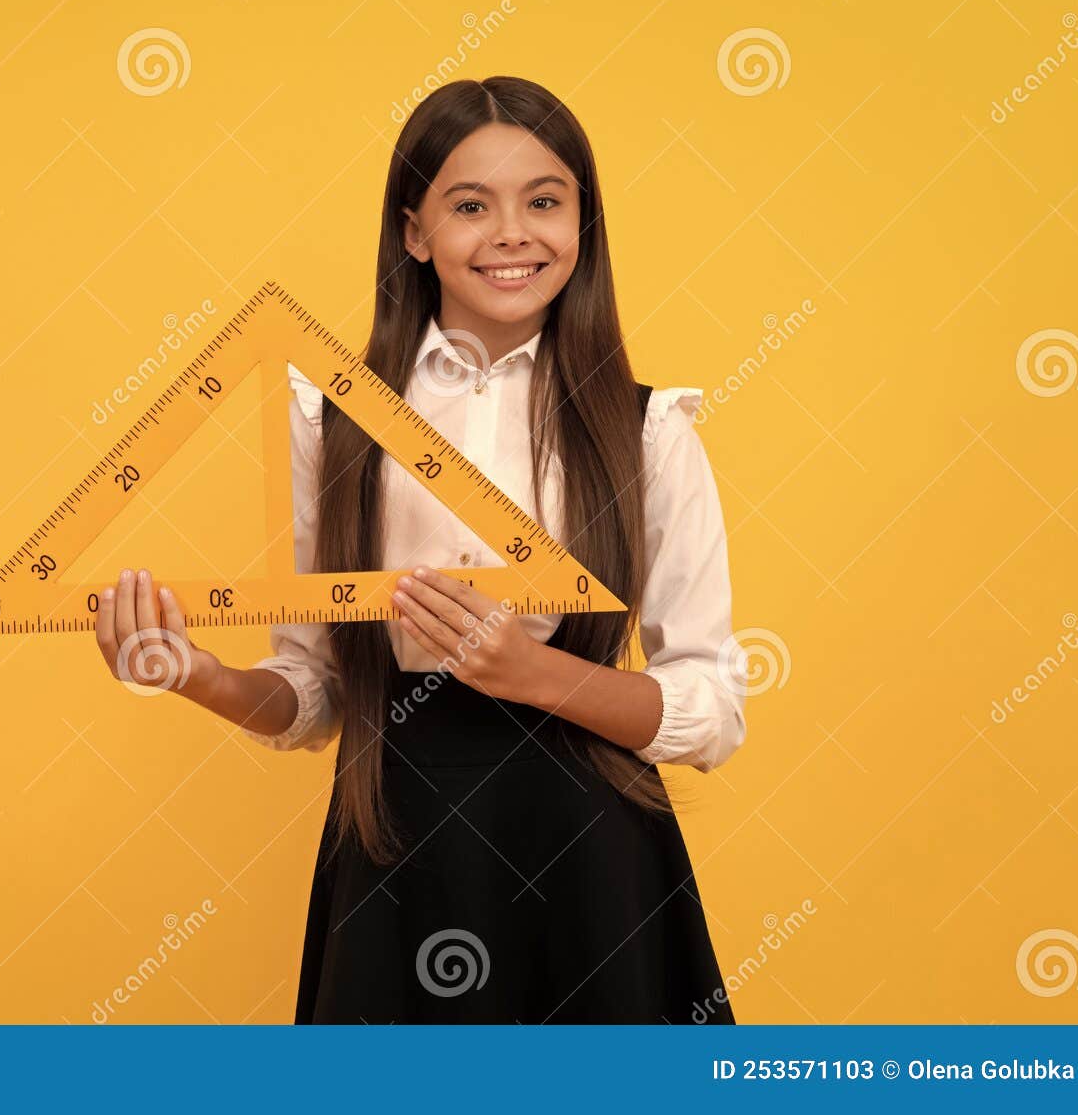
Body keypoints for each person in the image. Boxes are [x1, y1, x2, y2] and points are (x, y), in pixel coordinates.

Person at [94, 75, 747, 1023]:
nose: (513, 232)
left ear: (583, 225)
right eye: (470, 205)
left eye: (546, 201)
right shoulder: (334, 421)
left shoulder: (648, 431)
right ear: (414, 232)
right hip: (399, 835)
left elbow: (715, 708)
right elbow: (312, 690)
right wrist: (193, 673)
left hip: (593, 853)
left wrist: (538, 673)